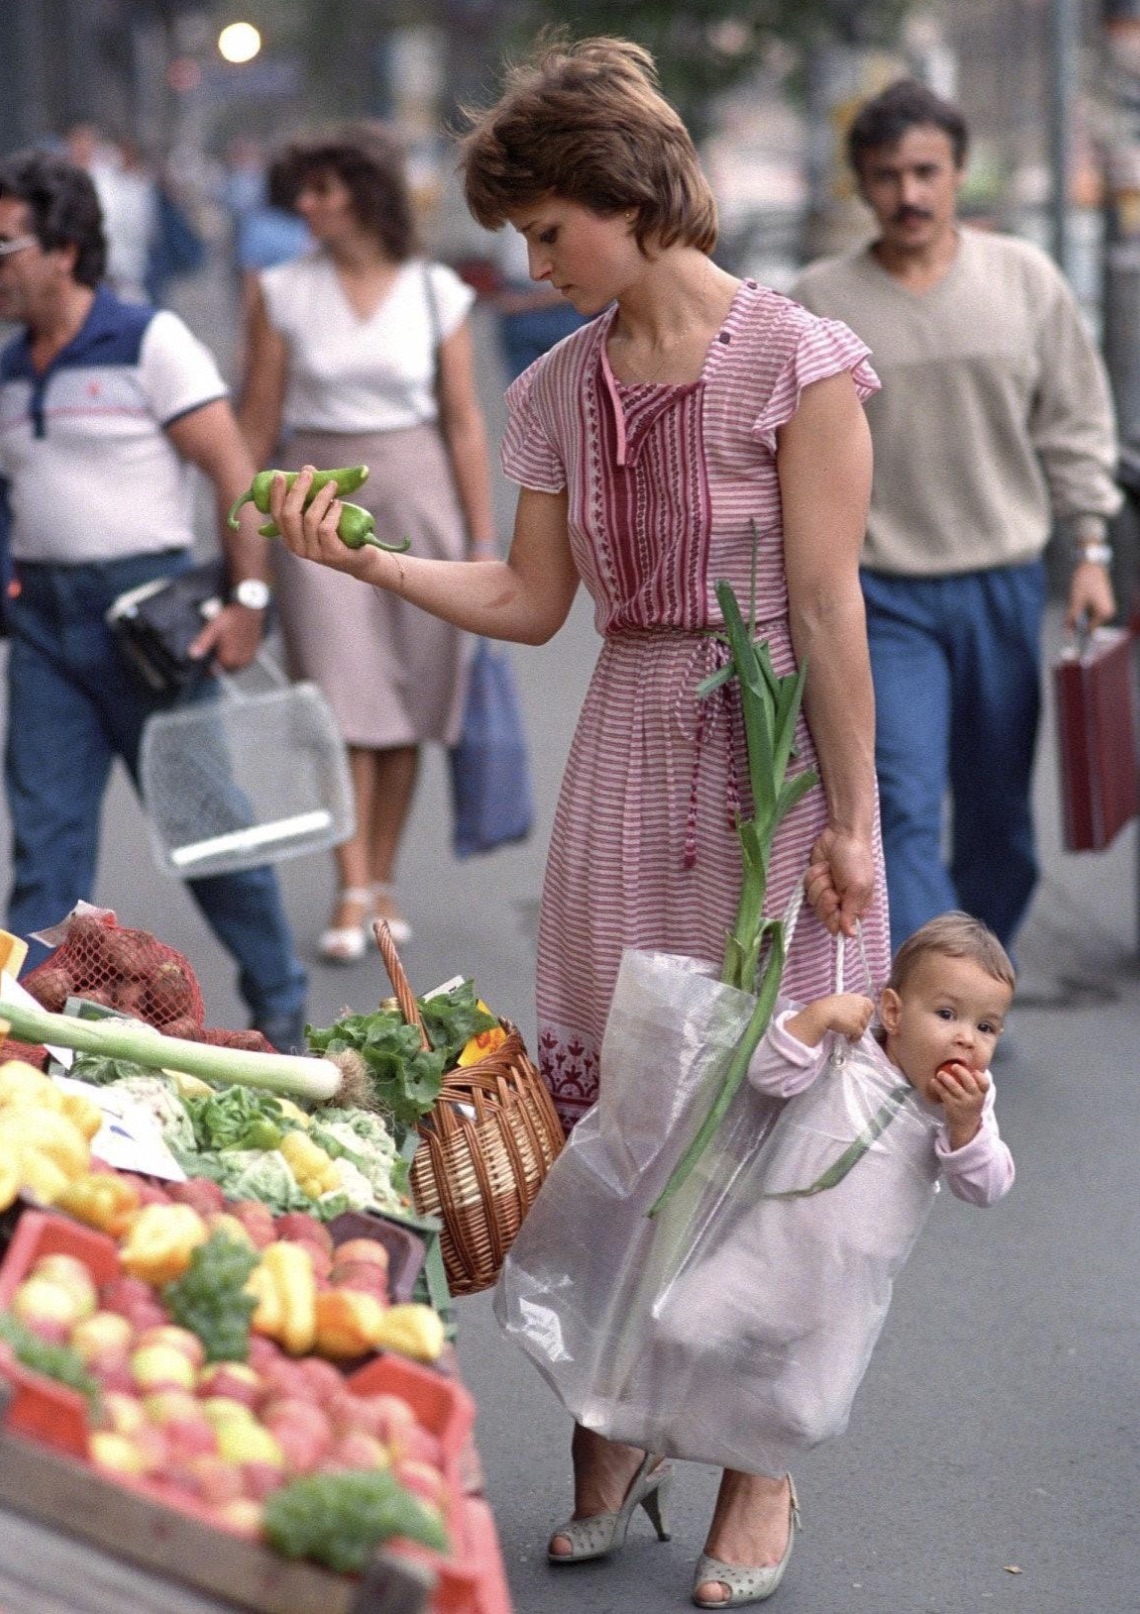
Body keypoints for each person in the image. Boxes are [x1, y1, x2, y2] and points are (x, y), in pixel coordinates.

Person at [270, 35, 891, 1606]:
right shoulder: (552, 385)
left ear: (628, 196)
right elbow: (534, 600)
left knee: (770, 1107)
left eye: (549, 230)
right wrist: (372, 566)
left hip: (773, 763)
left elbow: (826, 607)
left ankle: (761, 1471)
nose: (532, 264)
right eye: (523, 239)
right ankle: (612, 1420)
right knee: (615, 1113)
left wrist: (857, 818)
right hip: (627, 751)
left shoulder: (801, 362)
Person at [792, 78, 1122, 955]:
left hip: (1003, 584)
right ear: (861, 185)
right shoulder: (820, 300)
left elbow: (1078, 423)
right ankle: (932, 999)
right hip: (881, 596)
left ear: (959, 173)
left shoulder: (1025, 280)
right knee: (899, 801)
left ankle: (976, 978)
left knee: (999, 816)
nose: (909, 194)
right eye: (888, 174)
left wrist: (1091, 548)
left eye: (927, 171)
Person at [0, 149, 308, 1052]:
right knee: (44, 850)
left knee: (210, 833)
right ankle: (24, 1043)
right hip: (45, 636)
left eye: (4, 244)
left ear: (64, 249)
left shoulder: (147, 340)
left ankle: (280, 1005)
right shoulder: (9, 369)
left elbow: (233, 472)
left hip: (148, 628)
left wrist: (247, 596)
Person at [238, 121, 497, 960]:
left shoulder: (435, 291)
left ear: (362, 192)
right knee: (342, 702)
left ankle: (381, 877)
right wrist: (243, 533)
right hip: (315, 501)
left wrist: (482, 541)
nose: (305, 206)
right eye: (301, 191)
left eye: (322, 189)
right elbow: (257, 422)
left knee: (409, 701)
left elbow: (463, 423)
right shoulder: (278, 289)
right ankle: (350, 887)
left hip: (418, 493)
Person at [488, 222, 589, 379]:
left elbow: (585, 281)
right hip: (518, 305)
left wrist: (523, 303)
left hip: (560, 309)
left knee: (571, 388)